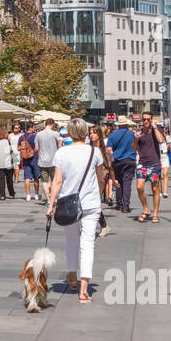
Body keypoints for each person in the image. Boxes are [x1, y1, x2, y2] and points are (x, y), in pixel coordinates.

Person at [46, 119, 107, 301]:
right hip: (90, 203)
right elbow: (100, 176)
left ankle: (72, 274)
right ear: (85, 132)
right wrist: (99, 193)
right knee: (88, 243)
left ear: (70, 133)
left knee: (71, 240)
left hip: (68, 204)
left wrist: (51, 204)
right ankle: (84, 289)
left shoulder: (62, 152)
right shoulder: (94, 152)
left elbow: (57, 180)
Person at [133, 112, 166, 223]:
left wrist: (155, 128)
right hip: (142, 163)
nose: (146, 121)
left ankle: (155, 213)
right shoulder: (139, 132)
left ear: (152, 120)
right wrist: (136, 139)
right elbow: (134, 148)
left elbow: (161, 140)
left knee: (155, 188)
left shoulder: (158, 129)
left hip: (154, 164)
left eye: (148, 119)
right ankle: (146, 209)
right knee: (139, 187)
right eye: (144, 119)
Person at [106, 116, 137, 213]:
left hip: (117, 161)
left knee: (118, 181)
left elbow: (109, 150)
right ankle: (126, 206)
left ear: (118, 125)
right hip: (130, 160)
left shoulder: (112, 135)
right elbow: (137, 147)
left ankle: (119, 204)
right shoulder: (132, 134)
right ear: (127, 124)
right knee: (127, 182)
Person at [35, 119, 62, 199]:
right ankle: (54, 198)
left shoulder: (38, 134)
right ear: (52, 124)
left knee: (44, 181)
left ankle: (48, 199)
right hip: (54, 161)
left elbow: (36, 148)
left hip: (42, 161)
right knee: (55, 180)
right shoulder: (56, 134)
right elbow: (60, 145)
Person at [18, 122, 41, 201]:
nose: (35, 129)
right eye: (34, 127)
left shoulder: (21, 137)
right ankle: (36, 194)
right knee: (36, 177)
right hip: (34, 158)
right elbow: (38, 148)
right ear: (30, 128)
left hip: (25, 158)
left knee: (27, 177)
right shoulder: (35, 136)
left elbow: (18, 147)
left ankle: (28, 195)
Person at [0, 129, 15, 200]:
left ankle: (2, 195)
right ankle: (11, 194)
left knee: (1, 180)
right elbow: (12, 152)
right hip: (8, 164)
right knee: (9, 180)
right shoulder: (8, 142)